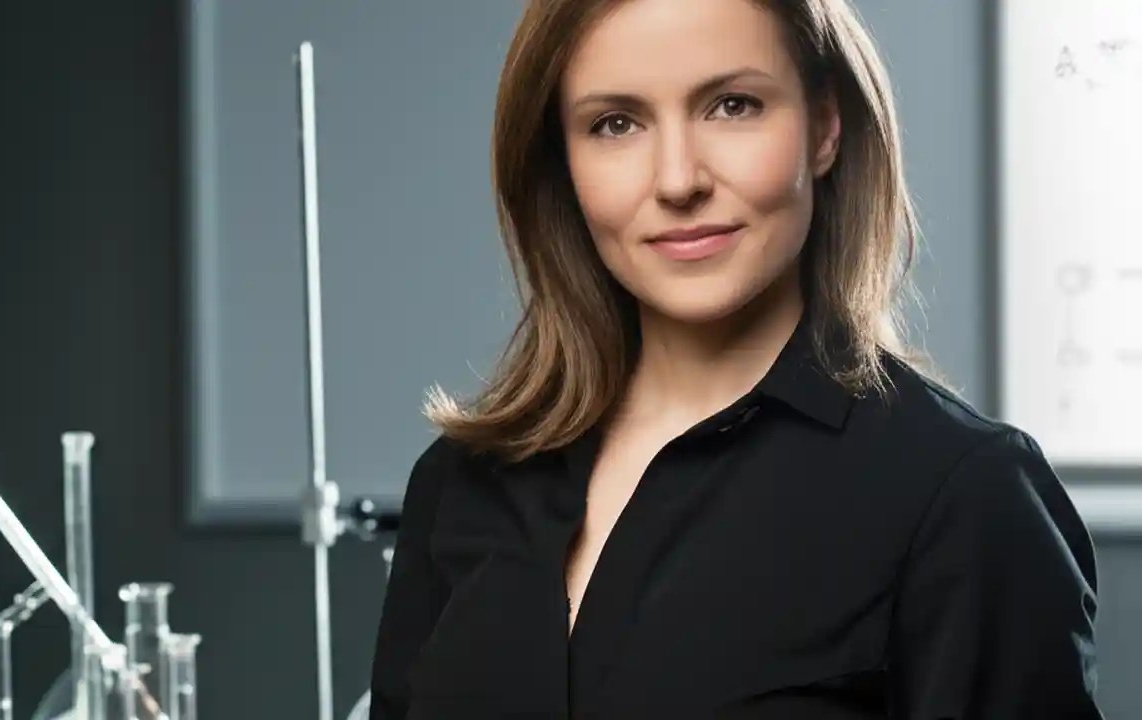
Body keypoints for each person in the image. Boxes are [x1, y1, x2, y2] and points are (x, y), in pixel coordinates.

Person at [369, 0, 1104, 717]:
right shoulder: (460, 485)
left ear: (824, 125)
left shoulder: (966, 497)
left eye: (732, 106)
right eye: (615, 124)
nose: (679, 180)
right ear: (562, 160)